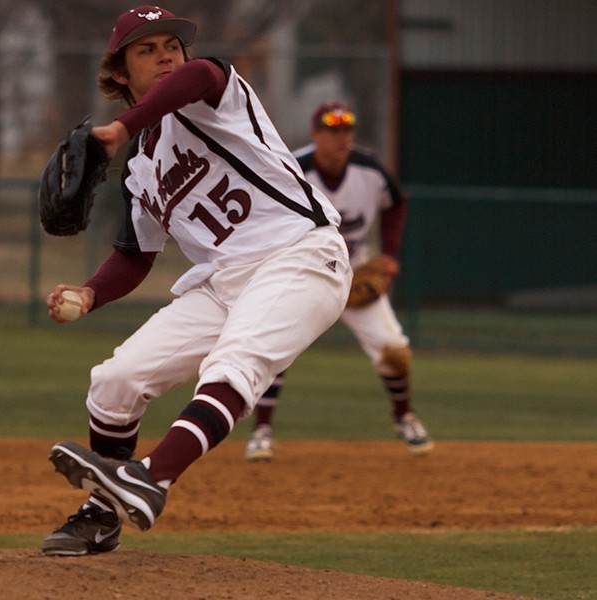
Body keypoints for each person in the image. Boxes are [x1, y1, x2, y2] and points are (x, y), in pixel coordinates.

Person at [40, 6, 351, 557]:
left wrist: (120, 126)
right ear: (119, 73)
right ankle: (102, 514)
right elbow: (134, 255)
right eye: (146, 49)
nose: (165, 56)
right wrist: (90, 292)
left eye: (171, 46)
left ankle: (150, 477)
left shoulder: (210, 96)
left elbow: (202, 73)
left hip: (300, 255)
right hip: (224, 282)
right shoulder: (140, 163)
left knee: (234, 364)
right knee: (115, 382)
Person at [244, 101, 433, 462]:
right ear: (315, 134)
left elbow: (396, 203)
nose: (340, 138)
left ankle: (404, 418)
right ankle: (262, 431)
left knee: (393, 348)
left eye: (346, 130)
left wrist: (390, 253)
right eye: (332, 131)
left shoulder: (370, 169)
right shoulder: (293, 169)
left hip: (354, 269)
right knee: (278, 346)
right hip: (303, 269)